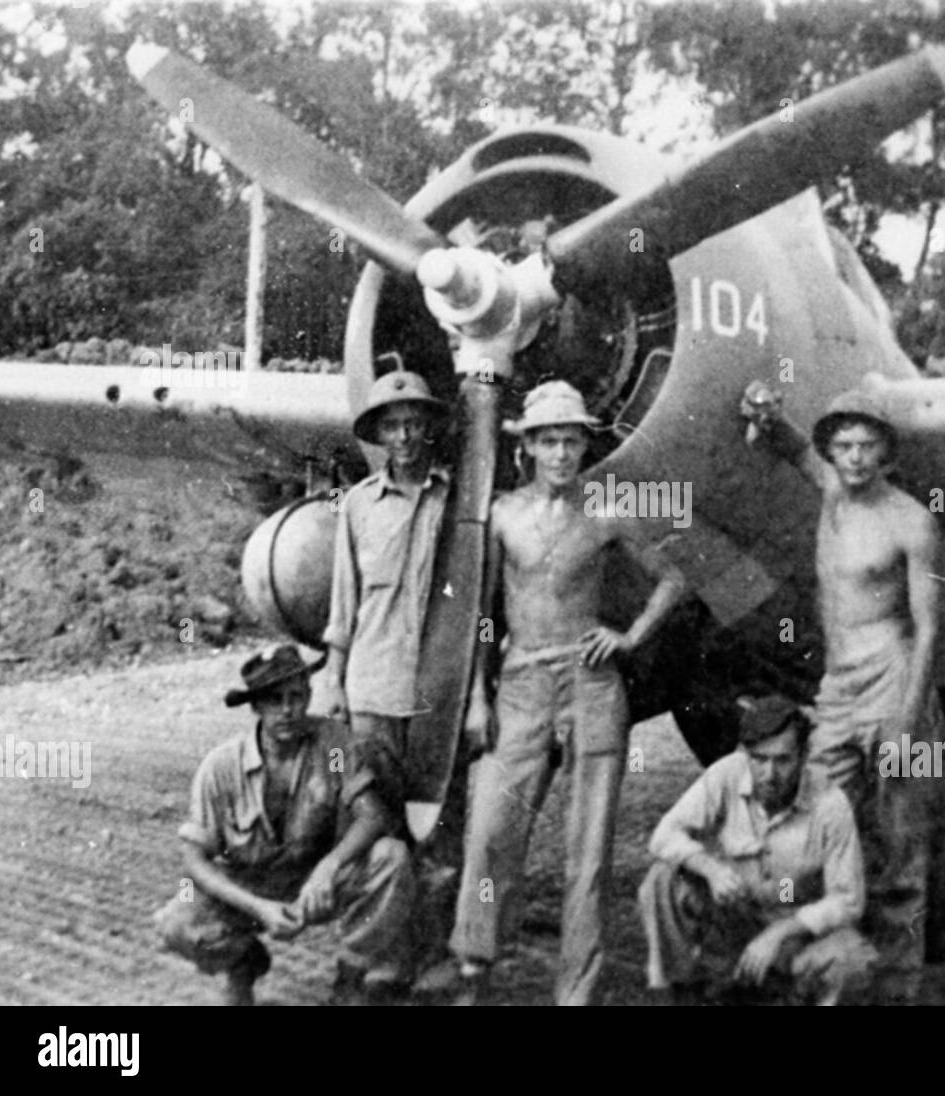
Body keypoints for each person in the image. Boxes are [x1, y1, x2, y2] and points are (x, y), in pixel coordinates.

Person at [448, 380, 685, 1006]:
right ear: (526, 447)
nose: (560, 454)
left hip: (592, 681)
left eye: (571, 441)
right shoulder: (502, 514)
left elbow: (673, 577)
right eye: (548, 441)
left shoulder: (608, 508)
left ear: (585, 445)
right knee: (493, 831)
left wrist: (629, 636)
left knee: (590, 849)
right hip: (522, 679)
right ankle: (475, 966)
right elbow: (482, 614)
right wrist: (477, 695)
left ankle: (576, 990)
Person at [740, 379, 945, 1003]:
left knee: (900, 840)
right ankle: (823, 967)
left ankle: (900, 985)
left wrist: (909, 719)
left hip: (893, 682)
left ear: (887, 452)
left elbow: (930, 624)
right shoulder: (831, 492)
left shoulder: (911, 519)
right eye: (845, 446)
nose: (855, 457)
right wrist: (763, 409)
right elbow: (789, 444)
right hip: (837, 686)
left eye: (867, 446)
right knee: (820, 822)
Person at [153, 645, 416, 1005]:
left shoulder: (333, 746)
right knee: (177, 922)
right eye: (275, 700)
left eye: (297, 696)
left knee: (391, 857)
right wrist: (257, 907)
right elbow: (194, 859)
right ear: (256, 706)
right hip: (251, 889)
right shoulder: (221, 767)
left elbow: (372, 815)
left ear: (309, 695)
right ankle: (242, 963)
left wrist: (329, 866)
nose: (288, 710)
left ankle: (351, 977)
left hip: (315, 883)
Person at [638, 695, 878, 1005]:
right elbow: (664, 835)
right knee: (663, 880)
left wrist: (779, 933)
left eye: (782, 760)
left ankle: (787, 995)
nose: (769, 774)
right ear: (745, 753)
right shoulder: (727, 774)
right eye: (759, 759)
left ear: (804, 756)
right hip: (734, 924)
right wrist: (710, 869)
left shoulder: (830, 804)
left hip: (795, 938)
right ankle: (679, 995)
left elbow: (849, 900)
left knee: (853, 960)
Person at [322, 369, 451, 842]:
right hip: (373, 685)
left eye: (414, 423)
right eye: (392, 426)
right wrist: (333, 680)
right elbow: (344, 599)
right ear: (378, 434)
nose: (404, 436)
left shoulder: (455, 503)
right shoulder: (358, 505)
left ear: (428, 428)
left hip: (437, 691)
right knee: (373, 817)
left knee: (436, 822)